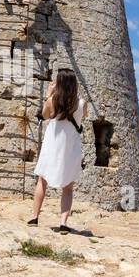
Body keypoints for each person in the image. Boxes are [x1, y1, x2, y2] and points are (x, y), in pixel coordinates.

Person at [29, 69, 88, 232]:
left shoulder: (52, 101)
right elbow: (84, 115)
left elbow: (45, 115)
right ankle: (63, 223)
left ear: (59, 83)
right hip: (71, 147)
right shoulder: (81, 103)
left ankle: (35, 217)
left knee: (42, 180)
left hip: (52, 144)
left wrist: (49, 95)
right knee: (68, 187)